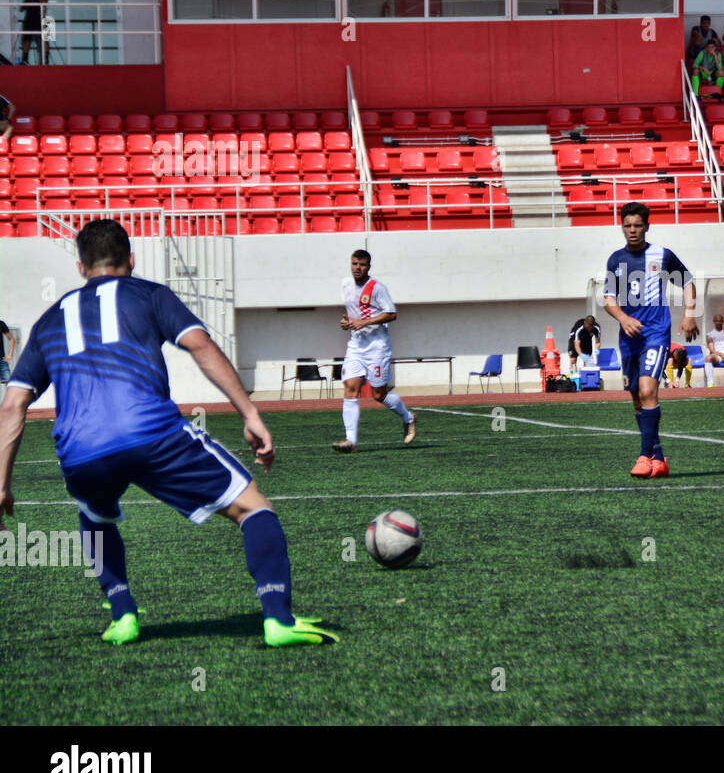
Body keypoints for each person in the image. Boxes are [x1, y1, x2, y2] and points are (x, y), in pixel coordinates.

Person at [0, 219, 336, 647]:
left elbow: (13, 405)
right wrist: (249, 412)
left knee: (95, 515)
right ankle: (278, 619)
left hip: (80, 450)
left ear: (81, 267)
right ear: (132, 260)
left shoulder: (50, 318)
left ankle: (123, 614)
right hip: (153, 433)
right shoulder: (150, 294)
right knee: (254, 510)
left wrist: (2, 485)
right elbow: (200, 345)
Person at [602, 202, 698, 477]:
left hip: (656, 333)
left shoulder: (662, 255)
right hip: (628, 338)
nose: (632, 230)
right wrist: (623, 318)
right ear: (622, 226)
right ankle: (658, 456)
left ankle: (644, 456)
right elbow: (609, 300)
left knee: (647, 391)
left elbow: (688, 281)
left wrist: (689, 313)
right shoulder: (615, 260)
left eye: (637, 226)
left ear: (647, 226)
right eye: (627, 226)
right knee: (635, 397)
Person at [334, 249, 416, 452]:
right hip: (355, 346)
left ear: (368, 267)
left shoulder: (377, 288)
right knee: (350, 388)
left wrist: (366, 322)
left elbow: (391, 314)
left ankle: (408, 417)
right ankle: (350, 441)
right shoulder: (345, 284)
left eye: (361, 264)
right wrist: (345, 321)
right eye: (354, 264)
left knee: (378, 395)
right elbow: (350, 311)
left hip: (377, 348)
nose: (357, 268)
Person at [19, 0, 50, 66]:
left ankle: (46, 59)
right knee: (26, 38)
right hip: (29, 17)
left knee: (45, 38)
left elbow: (45, 2)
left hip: (40, 16)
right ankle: (25, 59)